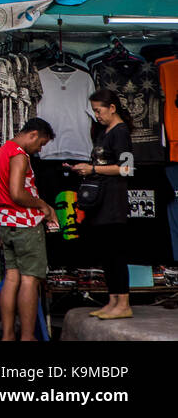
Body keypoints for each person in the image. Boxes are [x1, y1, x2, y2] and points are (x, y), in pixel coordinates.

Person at [0, 117, 59, 340]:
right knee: (30, 279)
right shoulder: (19, 155)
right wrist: (43, 205)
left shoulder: (0, 152)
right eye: (40, 144)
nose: (39, 150)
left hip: (6, 223)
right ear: (33, 135)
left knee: (12, 278)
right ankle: (27, 336)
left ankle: (8, 335)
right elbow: (17, 194)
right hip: (26, 224)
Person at [73, 89, 135, 320]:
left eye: (99, 110)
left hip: (114, 203)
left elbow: (127, 168)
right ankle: (113, 300)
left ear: (112, 108)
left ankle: (124, 303)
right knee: (107, 254)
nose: (96, 115)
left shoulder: (120, 133)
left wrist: (93, 169)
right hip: (100, 202)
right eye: (94, 111)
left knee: (116, 253)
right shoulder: (103, 131)